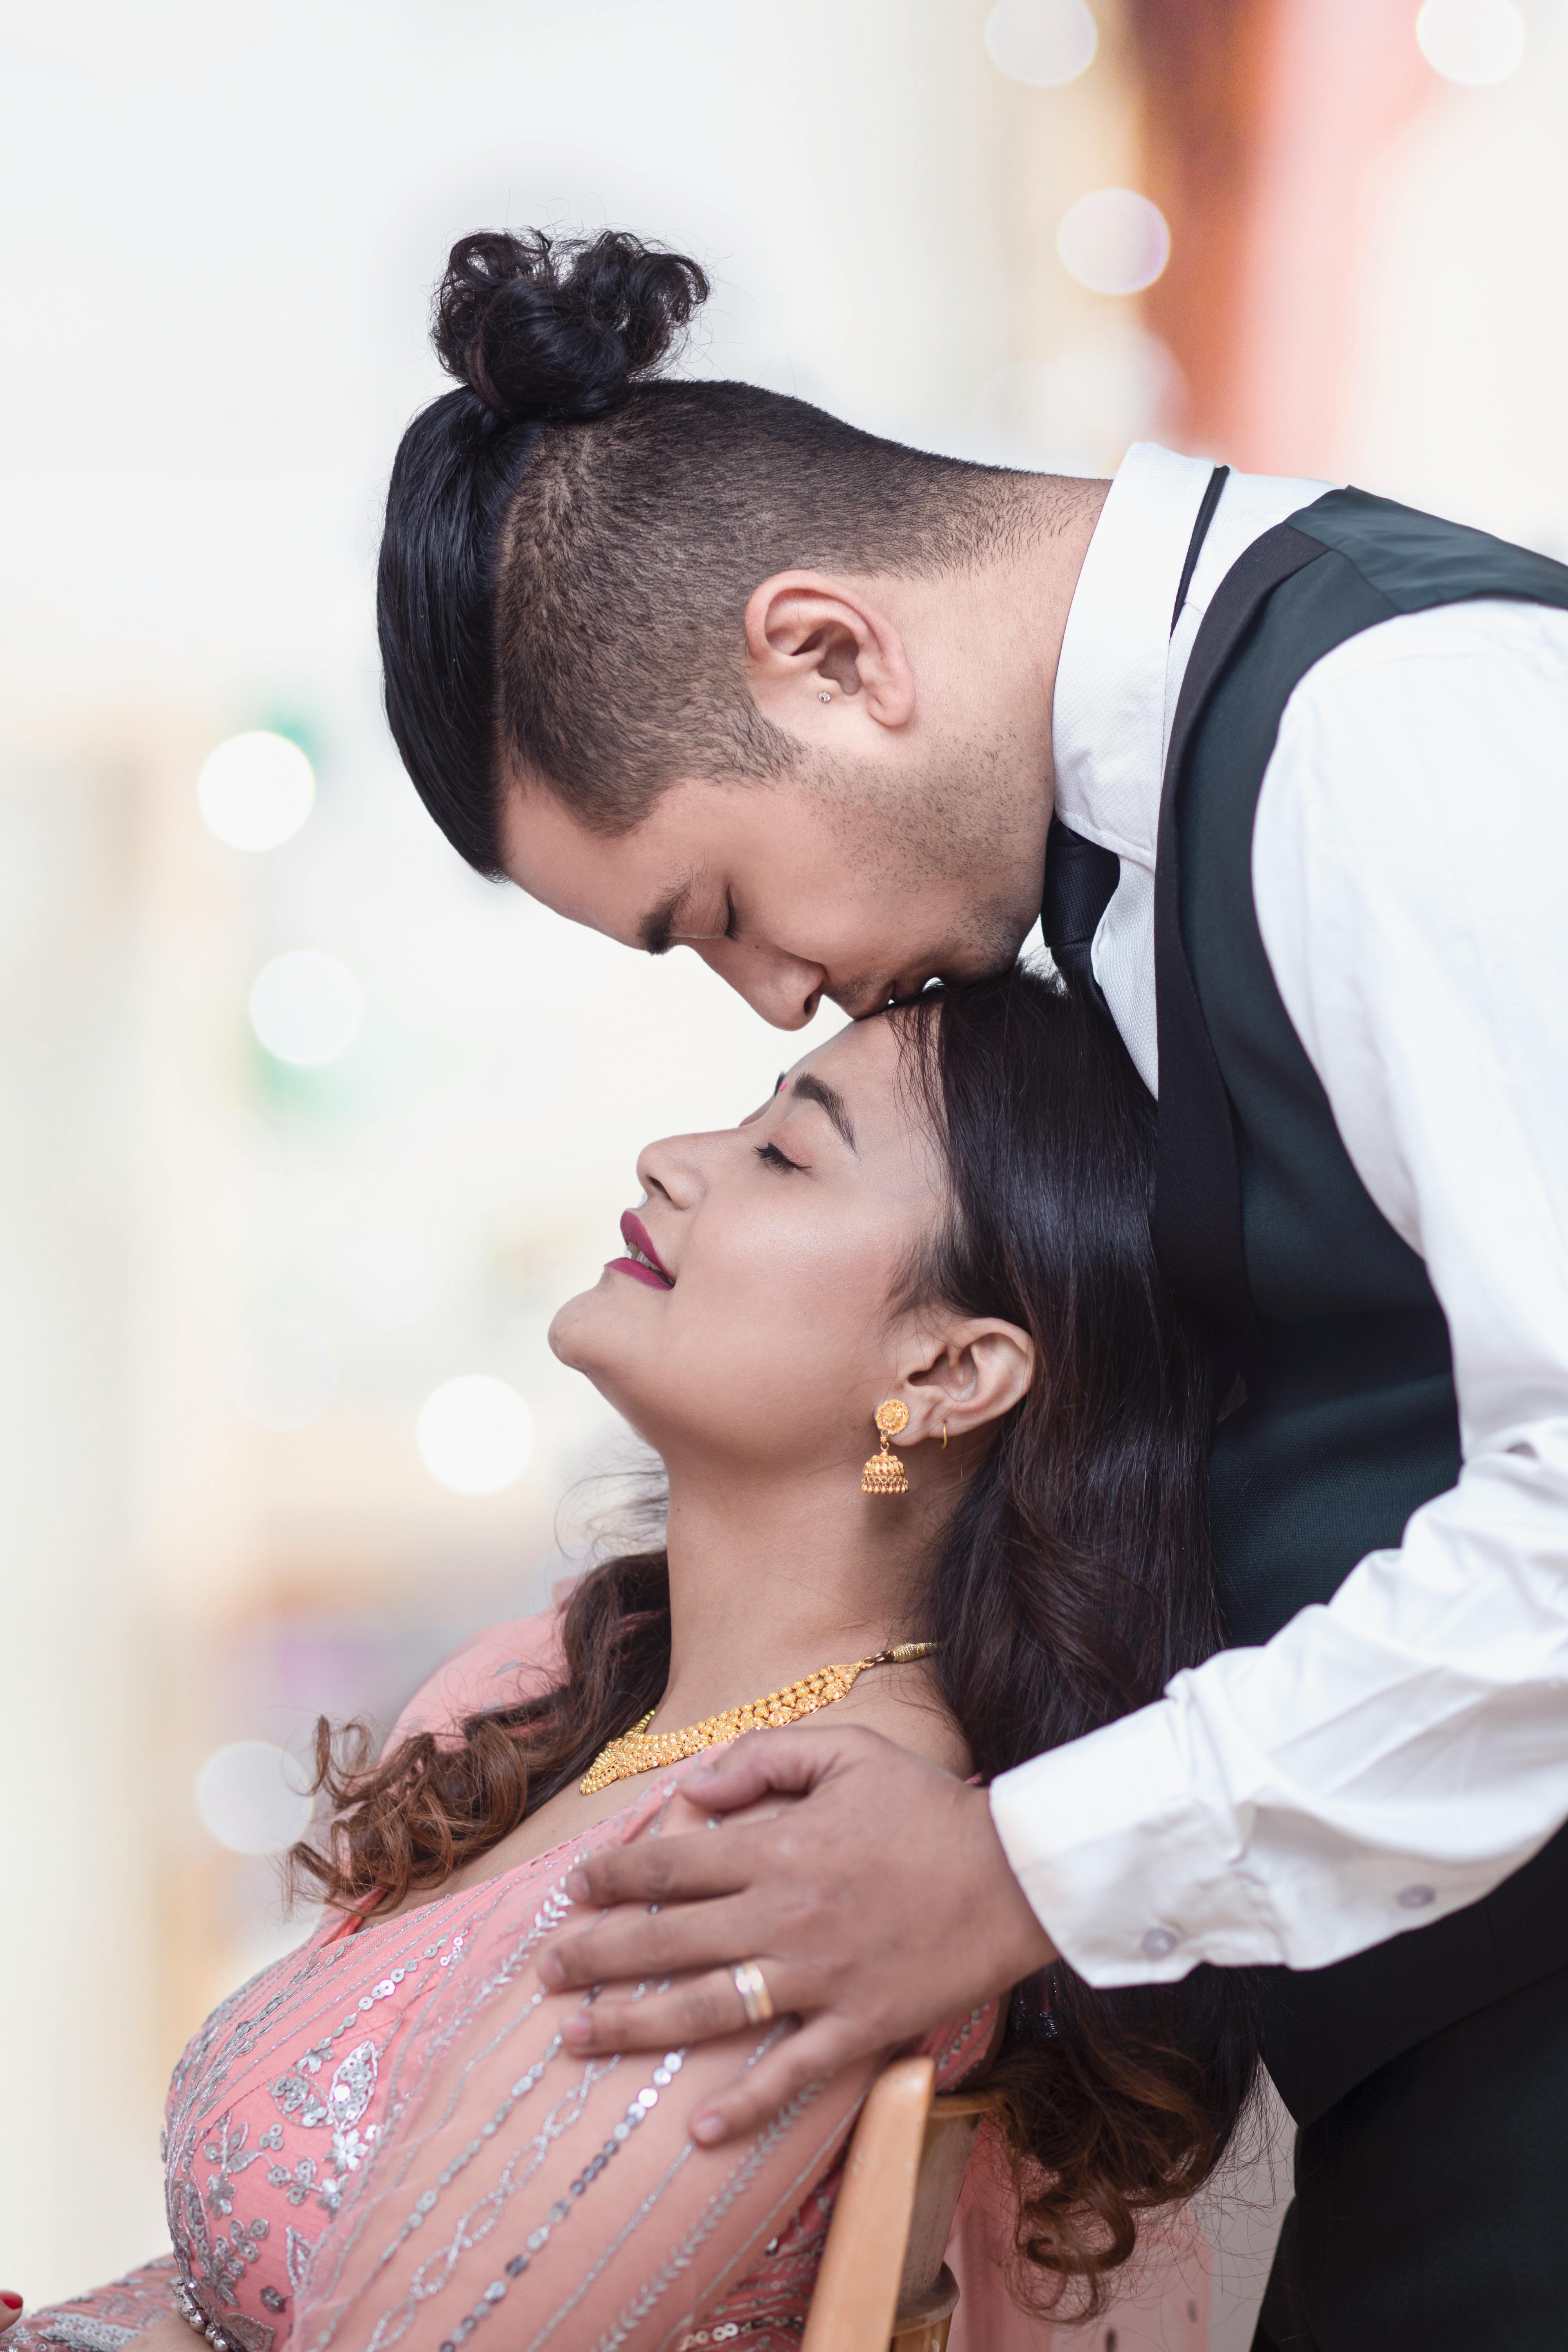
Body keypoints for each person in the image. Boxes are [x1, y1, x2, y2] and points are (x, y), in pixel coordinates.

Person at [369, 227, 1568, 2351]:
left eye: (718, 910)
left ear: (828, 651)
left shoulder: (1399, 728)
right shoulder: (1154, 856)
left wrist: (1020, 1867)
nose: (776, 999)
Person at [6, 972, 1257, 2352]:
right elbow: (232, 2290)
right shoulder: (549, 1683)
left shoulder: (808, 1854)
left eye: (786, 1153)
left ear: (949, 1371)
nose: (671, 1157)